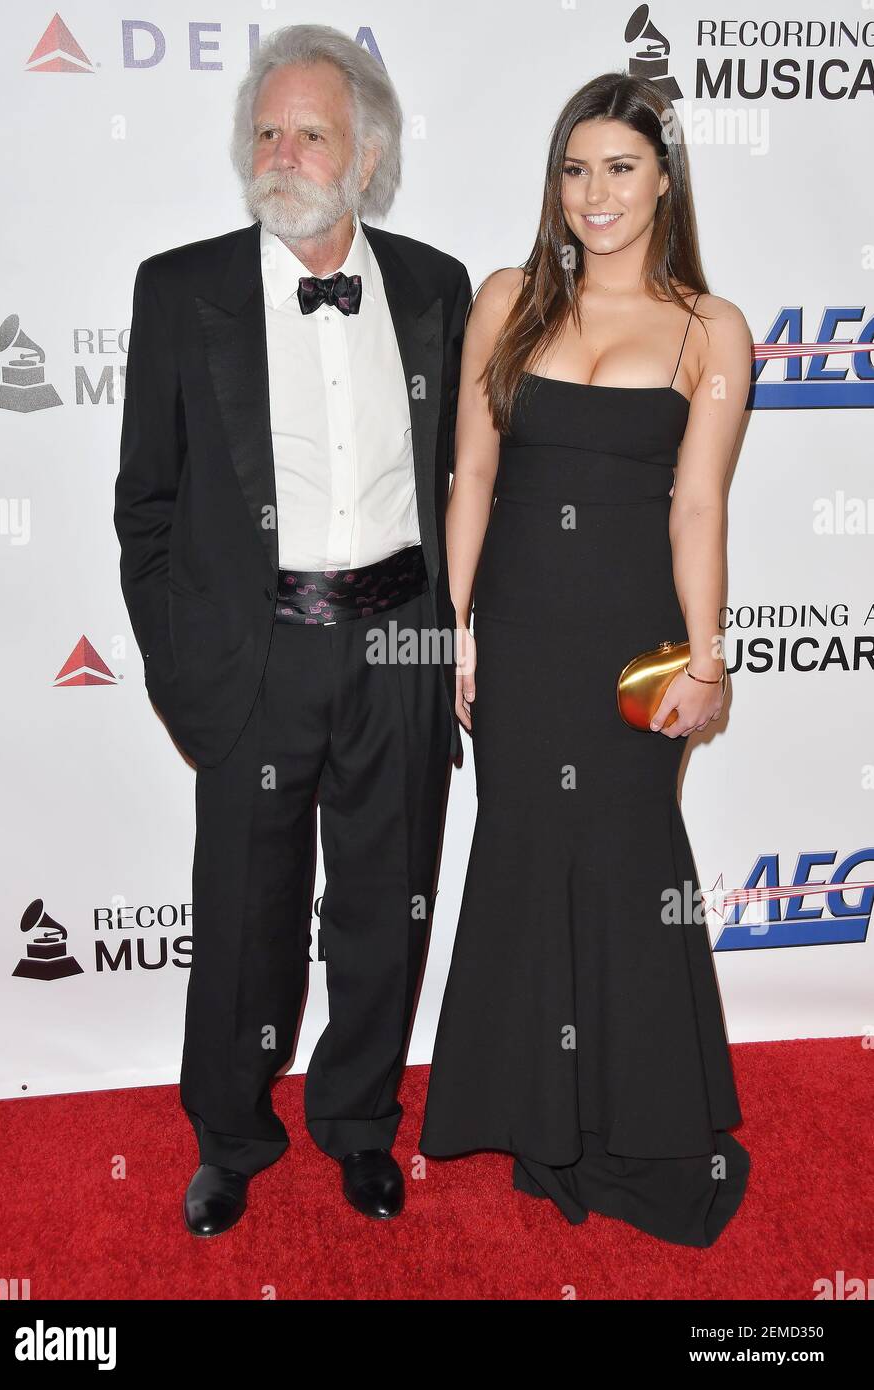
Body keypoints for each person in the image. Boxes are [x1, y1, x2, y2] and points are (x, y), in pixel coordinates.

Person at [114, 24, 472, 1235]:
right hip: (255, 655)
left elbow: (466, 485)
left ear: (365, 153)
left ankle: (361, 1123)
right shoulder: (181, 288)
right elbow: (147, 507)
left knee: (387, 901)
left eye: (311, 130)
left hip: (400, 648)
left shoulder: (435, 285)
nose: (284, 151)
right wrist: (185, 674)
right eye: (266, 130)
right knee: (246, 918)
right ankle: (230, 1137)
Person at [419, 72, 753, 1247]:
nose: (596, 193)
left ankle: (641, 1123)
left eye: (621, 166)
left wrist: (705, 662)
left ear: (665, 179)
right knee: (520, 857)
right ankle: (538, 1118)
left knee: (628, 866)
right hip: (516, 637)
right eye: (576, 168)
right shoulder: (509, 297)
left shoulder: (711, 328)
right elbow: (472, 479)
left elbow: (698, 509)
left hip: (629, 650)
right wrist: (449, 629)